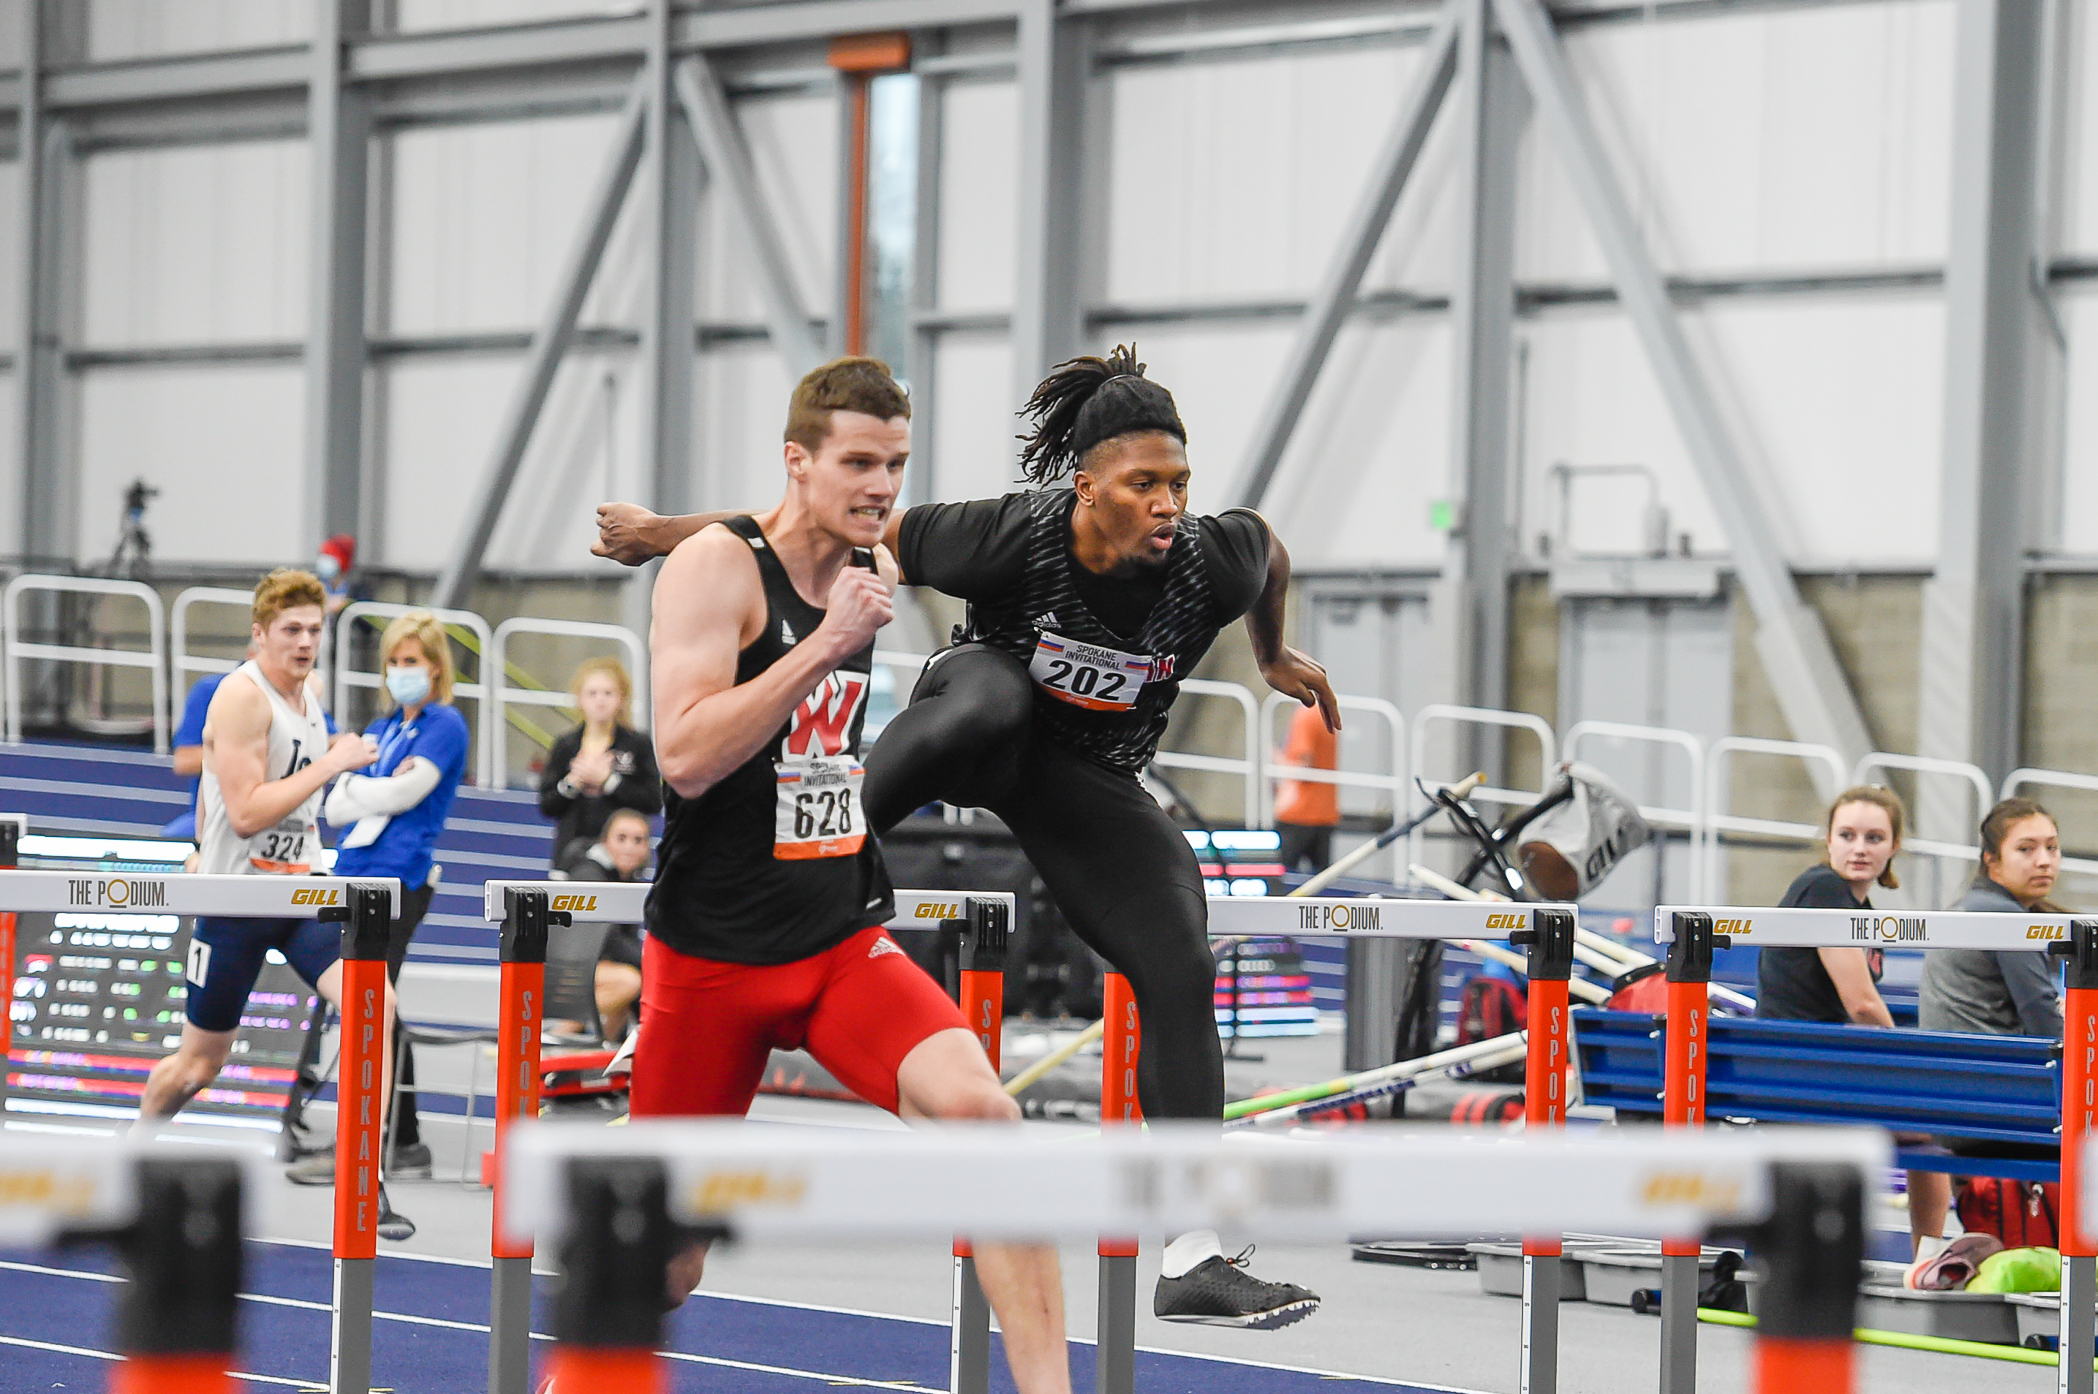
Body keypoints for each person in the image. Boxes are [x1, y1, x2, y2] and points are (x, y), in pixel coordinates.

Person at [596, 345, 1338, 1329]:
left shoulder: (1213, 556)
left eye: (1179, 484)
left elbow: (1271, 552)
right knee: (991, 697)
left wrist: (1271, 650)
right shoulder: (1005, 536)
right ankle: (723, 952)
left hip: (1088, 778)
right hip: (979, 721)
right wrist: (660, 535)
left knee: (1179, 954)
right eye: (1142, 484)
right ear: (1084, 487)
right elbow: (810, 524)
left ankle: (1193, 1251)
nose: (1167, 504)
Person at [633, 356, 1071, 1393]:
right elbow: (686, 755)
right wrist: (826, 643)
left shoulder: (866, 557)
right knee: (662, 1257)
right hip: (713, 957)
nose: (882, 486)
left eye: (898, 463)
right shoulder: (716, 569)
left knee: (989, 1127)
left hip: (836, 940)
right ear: (799, 461)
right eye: (861, 463)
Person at [137, 569, 414, 1239]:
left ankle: (363, 1178)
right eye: (290, 630)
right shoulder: (239, 697)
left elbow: (306, 802)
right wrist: (331, 765)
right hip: (237, 898)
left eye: (315, 630)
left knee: (376, 1004)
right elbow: (246, 809)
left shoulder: (311, 694)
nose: (304, 643)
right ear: (259, 634)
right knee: (199, 1067)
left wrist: (367, 788)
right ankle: (135, 1156)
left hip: (300, 891)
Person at [290, 611, 473, 1186]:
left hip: (399, 880)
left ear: (436, 667)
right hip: (357, 870)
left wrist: (359, 789)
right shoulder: (387, 725)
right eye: (393, 662)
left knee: (369, 1004)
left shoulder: (444, 724)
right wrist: (367, 792)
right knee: (377, 1003)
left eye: (411, 662)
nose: (399, 672)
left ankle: (364, 1146)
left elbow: (405, 791)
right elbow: (334, 805)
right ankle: (404, 1139)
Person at [1754, 786, 1950, 1254]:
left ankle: (1928, 1262)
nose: (1860, 848)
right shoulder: (1823, 889)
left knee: (1932, 1137)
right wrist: (1910, 1061)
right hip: (1798, 1077)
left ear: (1894, 846)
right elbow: (1861, 1003)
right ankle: (1929, 1264)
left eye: (1874, 837)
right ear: (1828, 840)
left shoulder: (1860, 907)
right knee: (1941, 1128)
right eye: (1847, 835)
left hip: (1814, 1070)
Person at [1911, 797, 2069, 1249]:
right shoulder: (2004, 920)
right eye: (2026, 849)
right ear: (1992, 861)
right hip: (1994, 1115)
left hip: (1960, 1105)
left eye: (2052, 847)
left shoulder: (1971, 907)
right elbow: (2047, 1027)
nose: (2044, 860)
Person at [537, 657, 661, 867]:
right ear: (579, 699)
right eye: (592, 693)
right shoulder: (566, 745)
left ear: (622, 698)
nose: (600, 701)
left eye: (608, 693)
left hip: (620, 861)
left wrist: (609, 781)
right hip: (569, 853)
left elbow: (653, 801)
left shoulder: (637, 744)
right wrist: (572, 783)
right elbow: (547, 805)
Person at [556, 806, 651, 1041]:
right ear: (605, 841)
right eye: (621, 838)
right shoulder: (589, 875)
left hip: (591, 965)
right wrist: (650, 964)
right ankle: (550, 1038)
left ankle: (605, 1053)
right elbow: (608, 939)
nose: (630, 847)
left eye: (638, 840)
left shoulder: (627, 879)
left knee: (635, 981)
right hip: (559, 968)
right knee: (629, 981)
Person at [1272, 701, 1339, 873]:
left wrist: (1276, 760)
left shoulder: (1305, 716)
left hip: (1298, 813)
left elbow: (1304, 764)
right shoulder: (1325, 714)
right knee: (1320, 884)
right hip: (1324, 812)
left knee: (1284, 881)